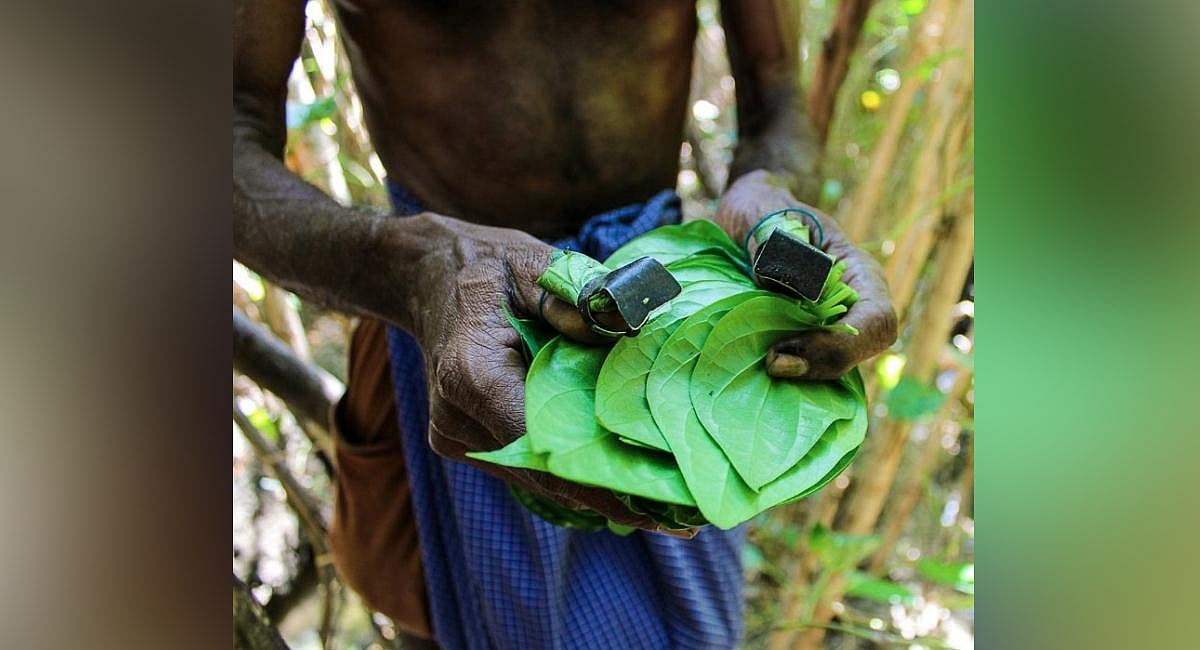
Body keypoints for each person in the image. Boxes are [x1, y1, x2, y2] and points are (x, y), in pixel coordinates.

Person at [234, 1, 897, 647]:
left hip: (667, 319)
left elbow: (776, 91)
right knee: (447, 613)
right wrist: (412, 271)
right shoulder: (424, 279)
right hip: (450, 313)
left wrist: (771, 189)